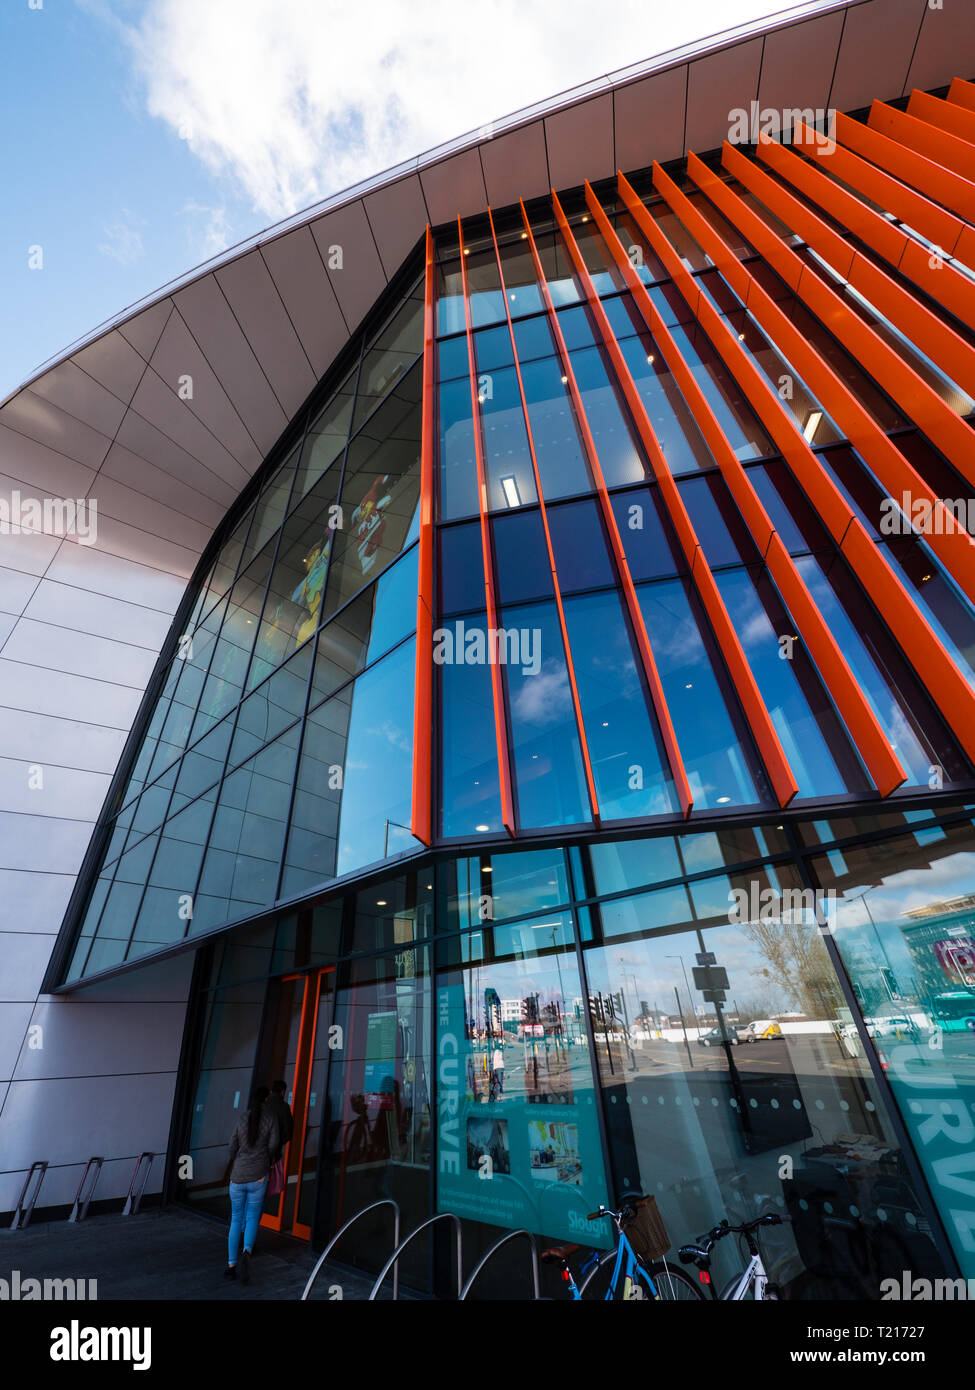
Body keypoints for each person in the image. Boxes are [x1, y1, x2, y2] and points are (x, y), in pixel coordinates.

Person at [225, 1087, 279, 1284]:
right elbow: (274, 1144)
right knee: (253, 1218)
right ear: (266, 1099)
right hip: (258, 1176)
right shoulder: (271, 1118)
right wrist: (264, 1157)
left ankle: (230, 1265)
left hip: (238, 1176)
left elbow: (232, 1146)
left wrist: (237, 1160)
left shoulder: (242, 1118)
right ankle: (247, 1253)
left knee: (236, 1220)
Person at [265, 1079, 294, 1161]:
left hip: (258, 1152)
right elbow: (288, 1131)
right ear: (283, 1092)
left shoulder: (263, 1104)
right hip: (275, 1152)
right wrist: (279, 1142)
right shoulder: (284, 1107)